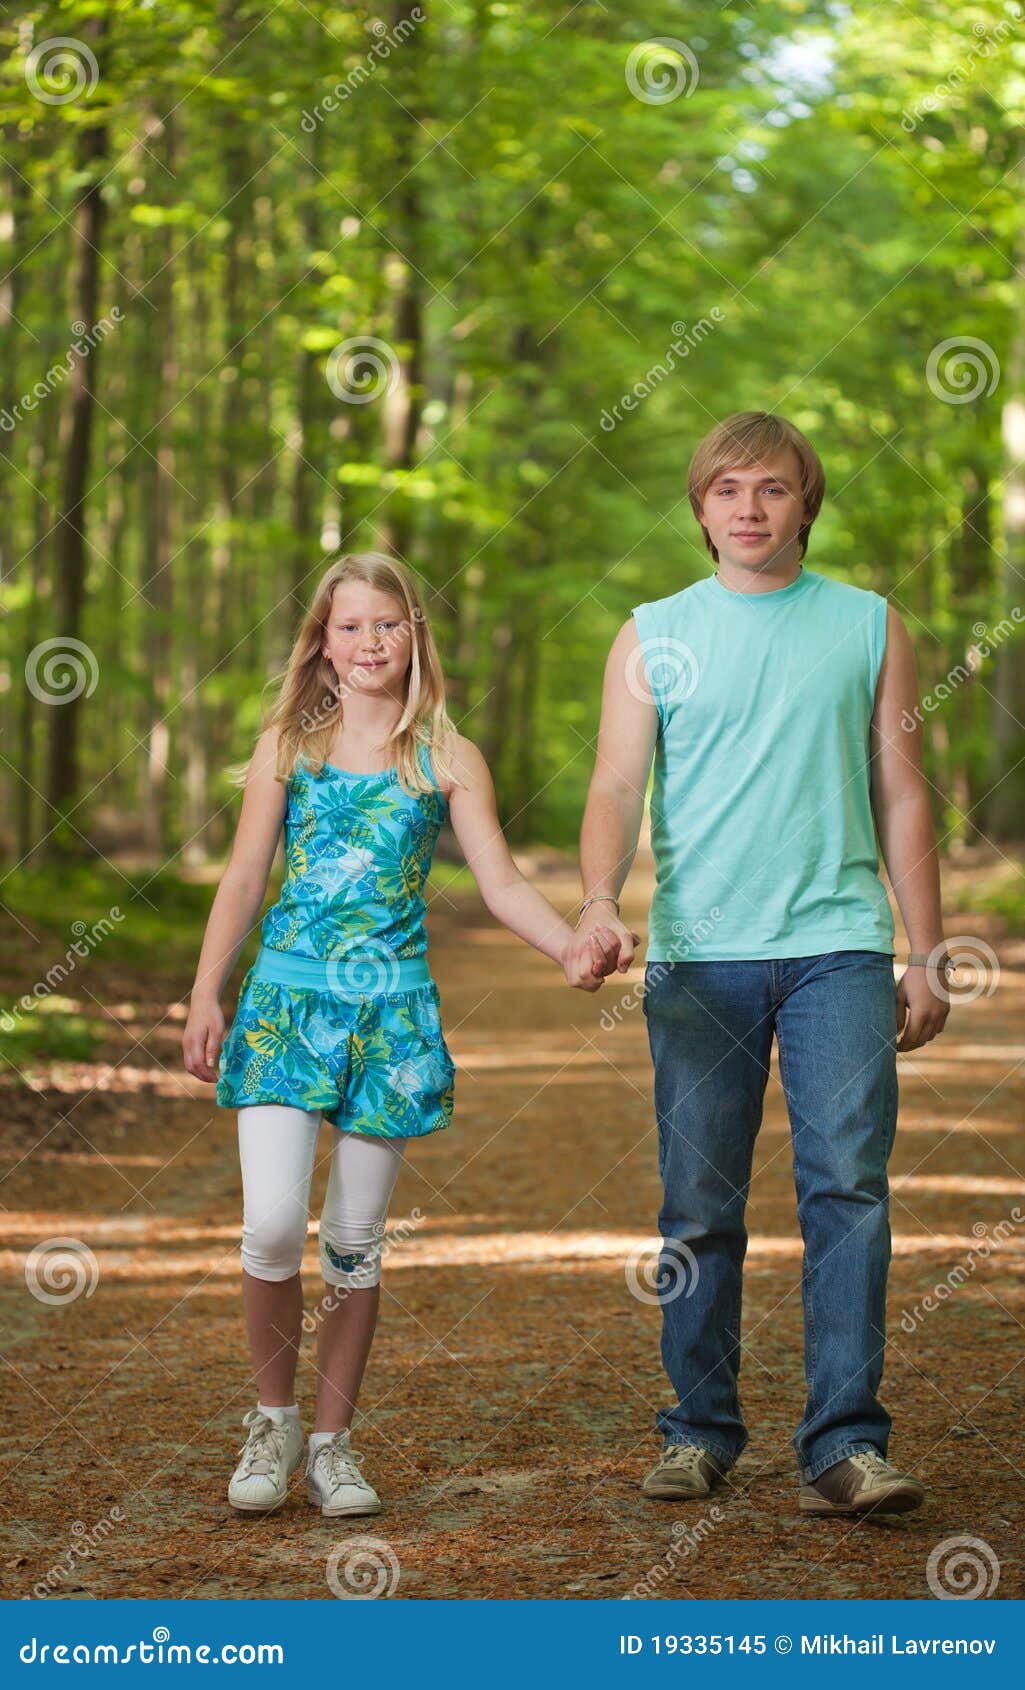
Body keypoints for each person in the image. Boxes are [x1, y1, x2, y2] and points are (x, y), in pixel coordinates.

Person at [182, 552, 616, 1519]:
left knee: (352, 1243)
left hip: (391, 1023)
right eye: (349, 626)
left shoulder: (446, 757)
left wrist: (567, 946)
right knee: (266, 1229)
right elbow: (244, 877)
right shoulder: (286, 747)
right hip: (284, 1014)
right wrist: (207, 990)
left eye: (388, 623)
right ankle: (273, 1418)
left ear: (413, 637)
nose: (369, 641)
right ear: (322, 646)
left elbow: (499, 883)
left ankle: (334, 1443)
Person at [577, 411, 952, 1518]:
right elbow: (610, 785)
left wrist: (923, 951)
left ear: (805, 503)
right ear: (699, 509)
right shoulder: (652, 632)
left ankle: (844, 1442)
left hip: (839, 944)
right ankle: (697, 1429)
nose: (749, 507)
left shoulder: (869, 624)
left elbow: (901, 791)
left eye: (772, 488)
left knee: (848, 1192)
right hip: (701, 957)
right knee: (698, 1206)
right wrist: (599, 900)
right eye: (727, 488)